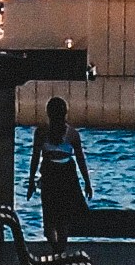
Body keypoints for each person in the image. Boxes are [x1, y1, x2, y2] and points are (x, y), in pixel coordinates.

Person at [31, 97, 96, 241]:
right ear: (65, 113)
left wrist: (31, 181)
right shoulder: (72, 134)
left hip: (50, 175)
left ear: (48, 113)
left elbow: (35, 158)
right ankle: (59, 249)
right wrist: (87, 183)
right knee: (62, 219)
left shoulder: (41, 133)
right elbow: (80, 159)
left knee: (50, 216)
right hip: (66, 175)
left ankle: (56, 249)